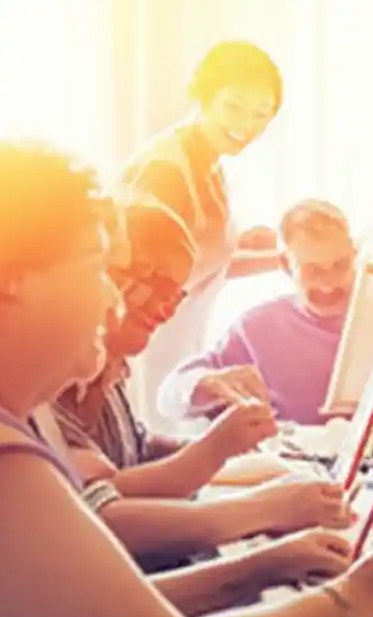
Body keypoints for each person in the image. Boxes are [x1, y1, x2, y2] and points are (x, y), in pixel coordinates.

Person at [0, 140, 373, 617]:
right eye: (95, 265)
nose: (112, 297)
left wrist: (260, 567)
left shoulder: (19, 425)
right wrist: (364, 595)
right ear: (8, 279)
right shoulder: (3, 465)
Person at [48, 202, 344, 569]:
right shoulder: (50, 387)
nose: (167, 311)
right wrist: (224, 457)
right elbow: (104, 504)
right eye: (154, 285)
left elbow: (136, 449)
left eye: (177, 295)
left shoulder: (108, 369)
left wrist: (242, 455)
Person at [121, 40, 287, 433]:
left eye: (262, 114)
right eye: (234, 106)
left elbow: (205, 264)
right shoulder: (165, 170)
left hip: (178, 347)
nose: (247, 125)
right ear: (202, 96)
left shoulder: (210, 163)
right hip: (146, 351)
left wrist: (285, 256)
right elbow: (136, 281)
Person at [159, 199, 357, 425]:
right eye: (313, 270)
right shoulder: (257, 328)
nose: (329, 283)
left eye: (340, 265)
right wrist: (205, 384)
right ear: (286, 265)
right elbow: (169, 394)